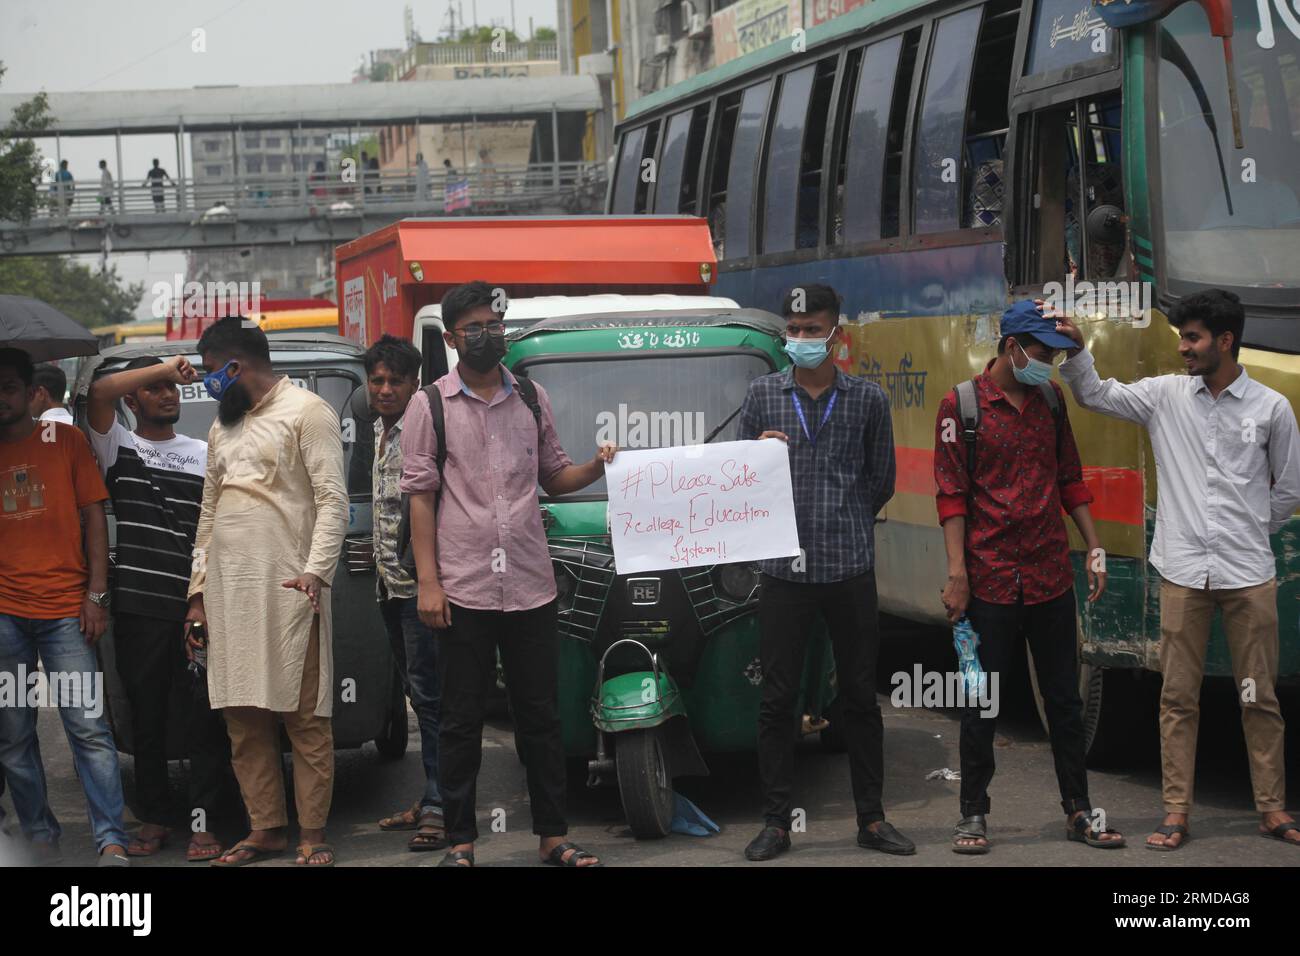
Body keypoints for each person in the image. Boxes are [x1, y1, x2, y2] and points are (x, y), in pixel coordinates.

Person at [1056, 289, 1300, 850]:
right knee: (1178, 698)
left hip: (1249, 575)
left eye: (1192, 338)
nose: (1183, 349)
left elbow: (1285, 493)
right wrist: (1077, 350)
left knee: (1257, 696)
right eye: (1182, 338)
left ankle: (1272, 809)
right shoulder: (1165, 396)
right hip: (1183, 575)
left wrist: (1244, 533)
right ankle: (1175, 813)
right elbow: (1094, 394)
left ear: (1226, 341)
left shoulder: (1271, 408)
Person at [401, 281, 614, 868]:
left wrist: (598, 465)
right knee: (461, 719)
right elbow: (420, 497)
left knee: (541, 717)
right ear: (450, 338)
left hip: (529, 585)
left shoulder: (532, 398)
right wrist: (428, 582)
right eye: (472, 327)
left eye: (493, 323)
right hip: (462, 589)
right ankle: (462, 842)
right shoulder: (431, 405)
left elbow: (556, 476)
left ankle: (553, 836)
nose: (487, 333)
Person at [933, 299, 1125, 854]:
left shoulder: (1051, 399)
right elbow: (951, 496)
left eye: (1055, 356)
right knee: (981, 702)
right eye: (1042, 354)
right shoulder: (960, 406)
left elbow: (1070, 477)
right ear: (1011, 346)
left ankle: (1079, 811)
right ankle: (973, 814)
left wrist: (1093, 545)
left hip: (1048, 577)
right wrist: (956, 575)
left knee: (1064, 701)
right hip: (987, 580)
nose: (1048, 364)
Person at [737, 283, 913, 862]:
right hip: (782, 571)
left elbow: (880, 480)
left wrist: (845, 523)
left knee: (859, 697)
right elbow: (739, 479)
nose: (803, 340)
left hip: (848, 568)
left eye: (814, 330)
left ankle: (872, 818)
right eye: (794, 330)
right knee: (776, 698)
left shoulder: (867, 401)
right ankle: (776, 823)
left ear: (837, 334)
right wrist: (757, 455)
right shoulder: (762, 394)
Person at [188, 319, 349, 867]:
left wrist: (316, 572)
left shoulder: (307, 412)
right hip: (229, 596)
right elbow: (209, 512)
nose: (209, 384)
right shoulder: (222, 427)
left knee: (304, 718)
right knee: (243, 716)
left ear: (236, 366)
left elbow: (332, 499)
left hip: (290, 591)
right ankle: (266, 830)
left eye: (211, 372)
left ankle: (312, 834)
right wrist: (197, 595)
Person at [86, 355, 236, 862]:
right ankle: (153, 817)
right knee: (147, 718)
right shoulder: (117, 446)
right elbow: (99, 392)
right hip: (139, 610)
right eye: (154, 388)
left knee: (204, 719)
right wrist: (166, 367)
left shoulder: (204, 451)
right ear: (134, 401)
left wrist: (202, 601)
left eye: (171, 388)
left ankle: (203, 821)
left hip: (197, 605)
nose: (168, 394)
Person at [0, 347, 131, 866]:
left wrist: (96, 595)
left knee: (88, 729)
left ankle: (111, 839)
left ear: (32, 392)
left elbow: (94, 517)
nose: (0, 397)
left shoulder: (66, 441)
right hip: (5, 614)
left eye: (8, 386)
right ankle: (40, 836)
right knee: (12, 735)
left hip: (65, 612)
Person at [365, 335, 445, 852]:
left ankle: (441, 806)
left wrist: (432, 582)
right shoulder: (376, 430)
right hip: (388, 586)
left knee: (434, 698)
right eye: (378, 380)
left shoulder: (428, 427)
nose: (386, 388)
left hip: (421, 587)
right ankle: (434, 793)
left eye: (396, 380)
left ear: (416, 384)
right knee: (417, 696)